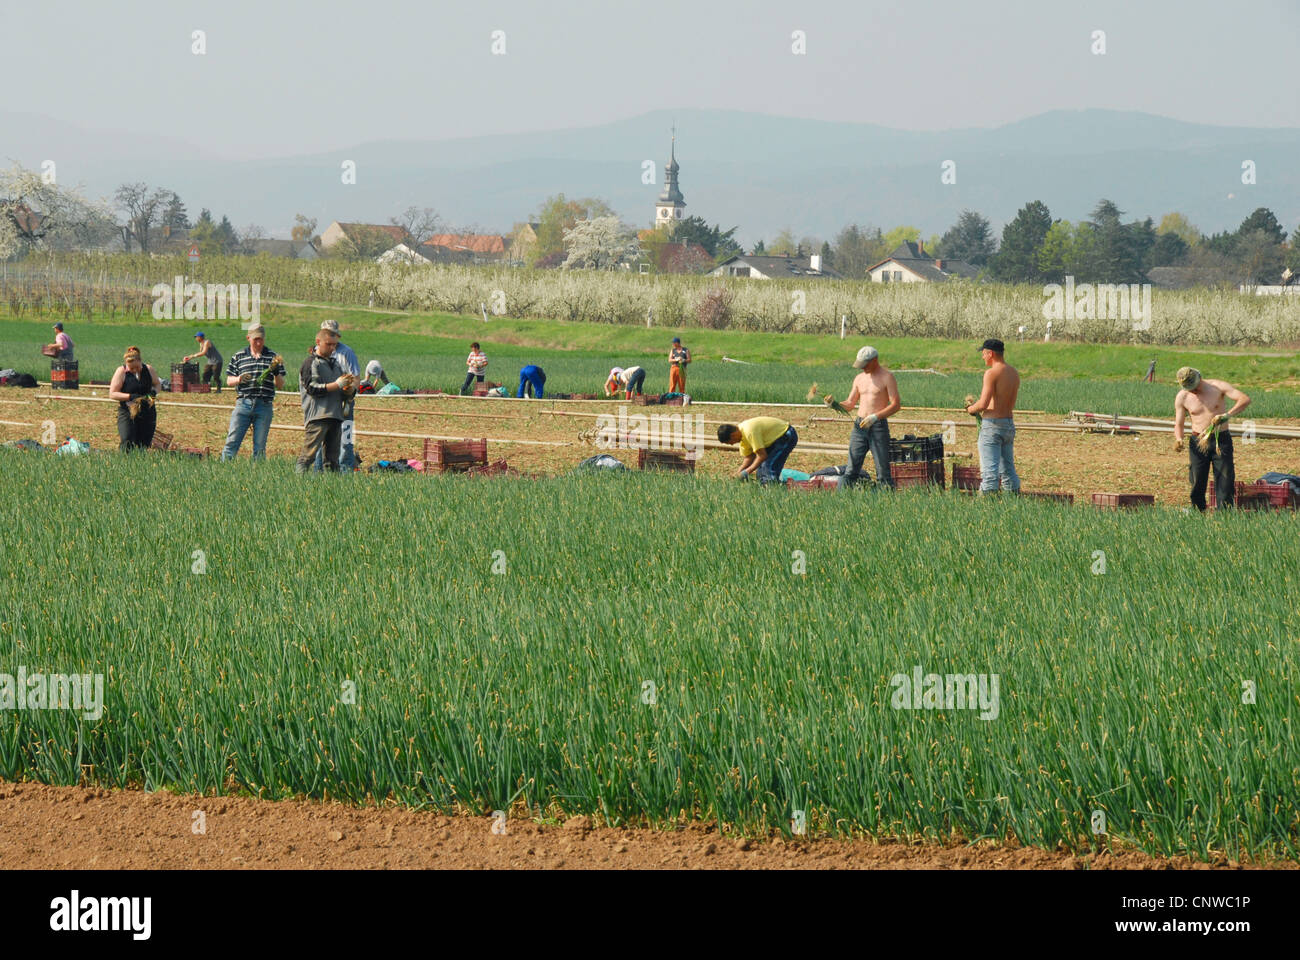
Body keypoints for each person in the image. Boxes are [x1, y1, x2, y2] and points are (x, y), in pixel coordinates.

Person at [1173, 366, 1251, 511]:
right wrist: (1179, 439)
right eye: (1190, 388)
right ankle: (1198, 511)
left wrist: (1227, 415)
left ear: (1199, 378)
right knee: (1197, 479)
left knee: (1225, 478)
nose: (1193, 391)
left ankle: (1225, 513)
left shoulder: (1218, 387)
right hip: (1198, 441)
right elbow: (1179, 424)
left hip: (1220, 440)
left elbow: (1244, 399)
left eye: (1194, 387)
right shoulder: (1182, 397)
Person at [827, 345, 901, 489]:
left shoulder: (887, 377)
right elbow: (850, 403)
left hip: (877, 427)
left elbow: (896, 405)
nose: (863, 368)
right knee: (851, 469)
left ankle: (885, 500)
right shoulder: (859, 378)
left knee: (882, 471)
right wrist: (834, 404)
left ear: (874, 360)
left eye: (865, 365)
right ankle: (841, 500)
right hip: (859, 427)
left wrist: (875, 417)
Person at [221, 323, 285, 461]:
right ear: (248, 338)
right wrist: (239, 379)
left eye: (261, 339)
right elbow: (228, 380)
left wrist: (276, 373)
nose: (258, 342)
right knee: (232, 441)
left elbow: (280, 385)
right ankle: (224, 467)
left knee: (260, 446)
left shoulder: (273, 358)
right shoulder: (239, 356)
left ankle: (257, 474)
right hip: (243, 403)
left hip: (264, 405)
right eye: (255, 339)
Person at [966, 338, 1021, 493]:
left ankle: (985, 509)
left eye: (983, 353)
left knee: (990, 474)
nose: (982, 357)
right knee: (1008, 472)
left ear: (990, 353)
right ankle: (1013, 501)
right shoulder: (1013, 373)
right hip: (1009, 424)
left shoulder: (991, 373)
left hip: (992, 426)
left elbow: (983, 404)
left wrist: (970, 409)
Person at [296, 328, 354, 473]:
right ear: (318, 342)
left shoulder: (336, 364)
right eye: (329, 344)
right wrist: (337, 385)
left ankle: (332, 489)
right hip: (317, 416)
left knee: (333, 460)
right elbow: (312, 388)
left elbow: (342, 391)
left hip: (335, 415)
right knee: (308, 456)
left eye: (334, 345)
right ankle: (297, 483)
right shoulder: (311, 363)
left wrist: (348, 390)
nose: (332, 348)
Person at [316, 319, 360, 471]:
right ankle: (319, 472)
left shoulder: (346, 352)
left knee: (346, 439)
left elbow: (356, 378)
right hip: (324, 403)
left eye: (333, 335)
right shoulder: (315, 353)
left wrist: (350, 392)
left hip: (344, 403)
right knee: (320, 438)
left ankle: (345, 470)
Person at [108, 346, 161, 452]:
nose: (134, 370)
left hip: (147, 411)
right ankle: (125, 462)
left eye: (137, 367)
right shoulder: (121, 371)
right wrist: (130, 396)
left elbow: (157, 384)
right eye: (131, 368)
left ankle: (140, 463)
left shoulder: (149, 369)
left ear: (140, 361)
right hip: (128, 411)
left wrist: (153, 393)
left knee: (144, 443)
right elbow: (112, 394)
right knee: (127, 439)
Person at [718, 417, 798, 485]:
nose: (732, 444)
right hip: (773, 441)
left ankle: (772, 490)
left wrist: (746, 472)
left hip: (786, 434)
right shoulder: (742, 438)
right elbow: (749, 457)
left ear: (733, 435)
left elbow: (762, 456)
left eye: (730, 442)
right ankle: (768, 487)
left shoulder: (749, 431)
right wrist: (739, 472)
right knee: (760, 473)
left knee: (768, 467)